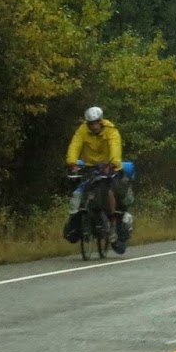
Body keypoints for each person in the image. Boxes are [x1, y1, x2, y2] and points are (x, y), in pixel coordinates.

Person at [65, 106, 134, 253]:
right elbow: (75, 144)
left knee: (108, 190)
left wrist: (113, 163)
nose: (92, 126)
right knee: (79, 191)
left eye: (95, 122)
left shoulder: (111, 130)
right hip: (89, 166)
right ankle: (78, 223)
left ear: (100, 121)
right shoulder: (83, 130)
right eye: (90, 123)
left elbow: (115, 147)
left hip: (108, 166)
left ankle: (113, 224)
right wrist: (72, 162)